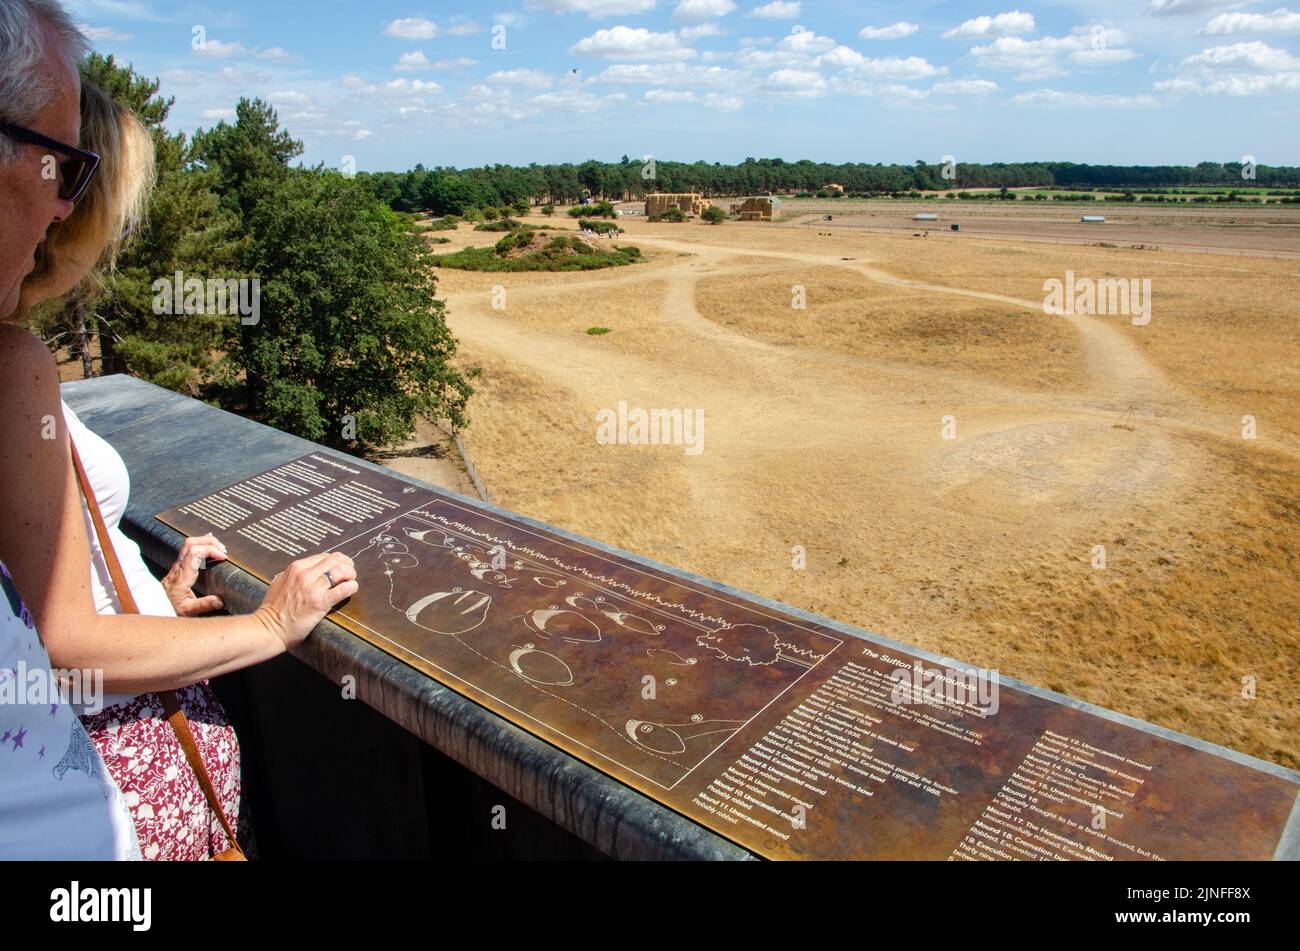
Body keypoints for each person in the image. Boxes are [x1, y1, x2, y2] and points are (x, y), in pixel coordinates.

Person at [0, 0, 359, 860]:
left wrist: (143, 603)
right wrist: (267, 627)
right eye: (66, 171)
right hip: (107, 814)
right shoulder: (13, 365)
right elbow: (57, 643)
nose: (66, 213)